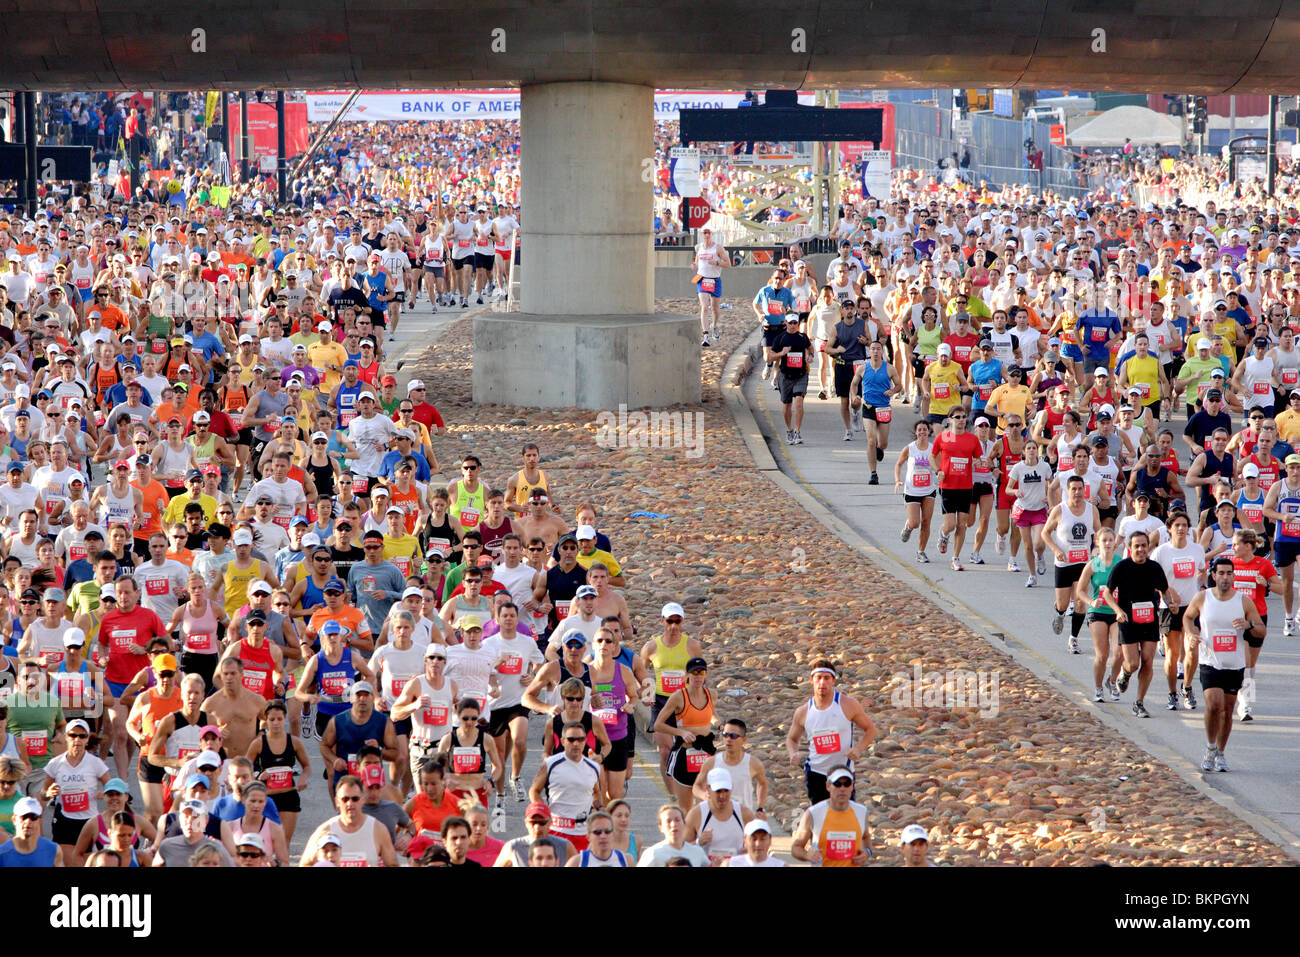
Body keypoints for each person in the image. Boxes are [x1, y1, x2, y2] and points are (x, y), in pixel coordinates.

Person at [1182, 558, 1266, 773]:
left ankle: (1220, 752)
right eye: (1221, 573)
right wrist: (1191, 634)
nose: (1225, 577)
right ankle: (1210, 748)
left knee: (1227, 711)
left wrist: (1249, 624)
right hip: (1210, 660)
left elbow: (1261, 630)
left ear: (1233, 576)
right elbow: (1188, 617)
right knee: (1213, 704)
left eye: (1229, 573)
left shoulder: (1243, 601)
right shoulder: (1203, 597)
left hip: (1234, 663)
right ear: (1214, 575)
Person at [1101, 530, 1181, 718]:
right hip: (1127, 620)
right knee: (1133, 663)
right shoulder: (1122, 567)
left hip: (1149, 619)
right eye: (1136, 546)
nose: (1140, 549)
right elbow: (1107, 593)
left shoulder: (1154, 568)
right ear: (1130, 548)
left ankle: (1139, 702)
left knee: (1147, 659)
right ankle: (1125, 673)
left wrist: (1170, 604)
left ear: (1148, 547)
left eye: (1144, 545)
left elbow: (1164, 590)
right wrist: (1117, 610)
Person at [785, 659, 877, 803]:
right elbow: (791, 739)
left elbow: (871, 730)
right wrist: (793, 753)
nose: (822, 682)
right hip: (815, 772)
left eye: (827, 678)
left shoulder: (848, 704)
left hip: (842, 772)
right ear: (811, 680)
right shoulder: (803, 711)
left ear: (833, 680)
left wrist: (858, 749)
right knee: (820, 815)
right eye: (818, 678)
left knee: (844, 814)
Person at [653, 655, 719, 812]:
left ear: (706, 675)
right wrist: (680, 732)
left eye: (702, 672)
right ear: (687, 675)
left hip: (705, 753)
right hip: (685, 754)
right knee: (685, 809)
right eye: (694, 673)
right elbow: (658, 725)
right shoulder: (678, 697)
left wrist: (719, 723)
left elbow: (711, 714)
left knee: (705, 806)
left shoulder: (711, 695)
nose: (698, 677)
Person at [529, 720, 601, 851]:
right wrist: (544, 814)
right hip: (556, 830)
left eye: (580, 739)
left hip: (583, 833)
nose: (576, 743)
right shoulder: (550, 763)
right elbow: (534, 791)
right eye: (571, 739)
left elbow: (596, 792)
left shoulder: (593, 767)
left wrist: (598, 809)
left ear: (585, 741)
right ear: (563, 741)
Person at [299, 775, 398, 867]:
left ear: (363, 800)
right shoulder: (325, 831)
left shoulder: (378, 830)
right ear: (337, 802)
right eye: (345, 799)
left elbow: (392, 864)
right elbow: (305, 864)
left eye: (355, 799)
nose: (350, 803)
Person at [790, 766, 872, 867]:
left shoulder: (861, 811)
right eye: (837, 784)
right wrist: (807, 855)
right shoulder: (813, 813)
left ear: (852, 786)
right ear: (828, 786)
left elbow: (866, 837)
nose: (842, 789)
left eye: (847, 784)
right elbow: (796, 847)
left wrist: (867, 852)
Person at [767, 314, 812, 445]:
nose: (793, 325)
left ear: (798, 324)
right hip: (786, 375)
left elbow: (810, 347)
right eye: (790, 323)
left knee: (799, 402)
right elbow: (770, 356)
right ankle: (789, 430)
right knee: (787, 405)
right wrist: (782, 353)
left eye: (795, 323)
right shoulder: (780, 338)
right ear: (786, 323)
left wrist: (810, 355)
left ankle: (797, 431)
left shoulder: (802, 337)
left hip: (801, 375)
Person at [636, 802, 710, 867]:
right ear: (661, 827)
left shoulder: (697, 852)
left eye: (677, 820)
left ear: (684, 824)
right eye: (668, 821)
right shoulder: (653, 853)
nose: (673, 824)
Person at [0, 796, 62, 866]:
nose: (28, 821)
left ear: (39, 821)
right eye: (24, 816)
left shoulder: (53, 850)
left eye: (33, 817)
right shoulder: (2, 853)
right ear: (14, 819)